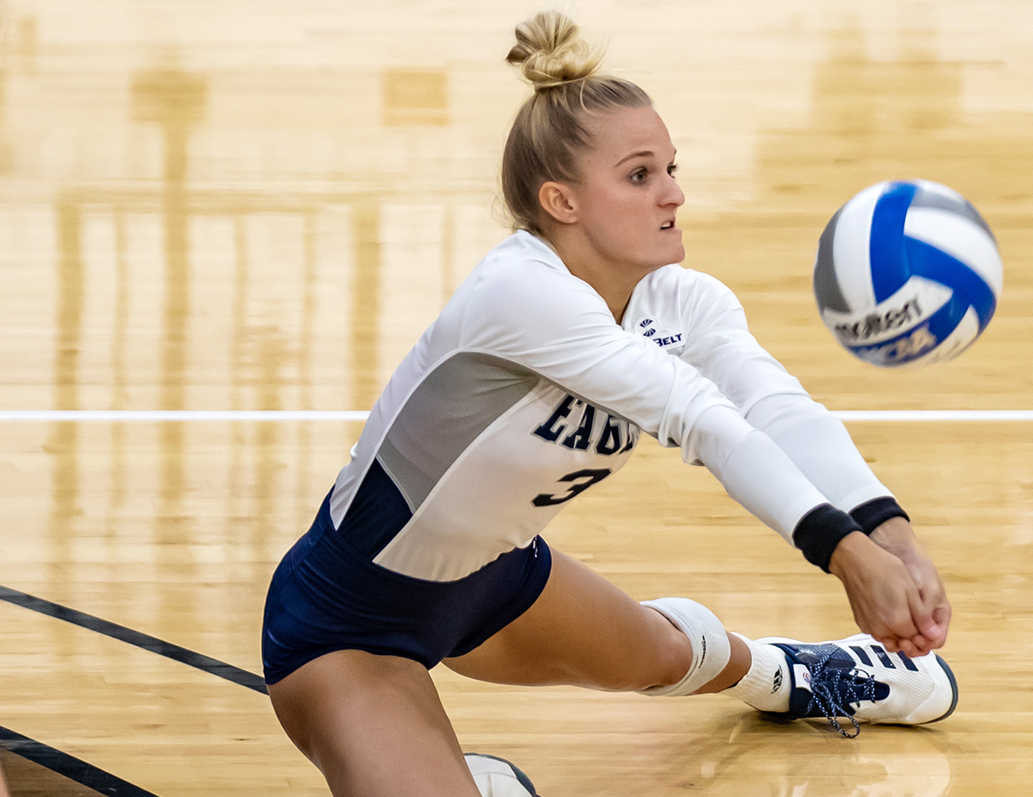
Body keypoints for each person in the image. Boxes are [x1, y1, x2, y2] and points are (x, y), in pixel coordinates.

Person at [261, 11, 955, 797]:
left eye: (670, 167)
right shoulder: (520, 293)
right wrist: (846, 554)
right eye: (640, 175)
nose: (674, 192)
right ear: (561, 201)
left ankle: (796, 672)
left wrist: (889, 536)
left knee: (665, 654)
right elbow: (699, 418)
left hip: (498, 581)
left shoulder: (683, 300)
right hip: (348, 627)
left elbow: (779, 410)